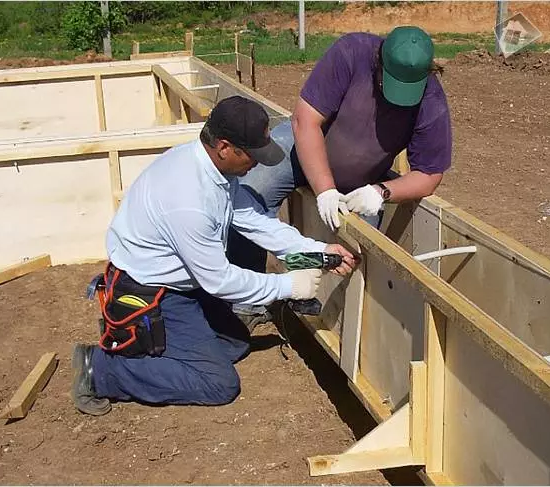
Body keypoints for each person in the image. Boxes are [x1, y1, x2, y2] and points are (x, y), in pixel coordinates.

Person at [71, 95, 355, 416]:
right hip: (154, 292)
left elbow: (253, 221)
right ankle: (101, 368)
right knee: (218, 383)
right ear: (223, 147)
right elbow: (219, 280)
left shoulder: (214, 170)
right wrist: (288, 287)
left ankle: (150, 346)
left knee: (236, 344)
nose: (258, 164)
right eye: (252, 155)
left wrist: (316, 252)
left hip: (184, 283)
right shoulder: (188, 200)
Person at [228, 25, 452, 326]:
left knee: (352, 250)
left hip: (361, 178)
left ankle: (304, 295)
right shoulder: (352, 53)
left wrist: (381, 192)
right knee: (250, 194)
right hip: (300, 149)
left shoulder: (431, 101)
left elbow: (429, 174)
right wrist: (325, 190)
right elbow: (305, 121)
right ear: (379, 62)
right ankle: (245, 300)